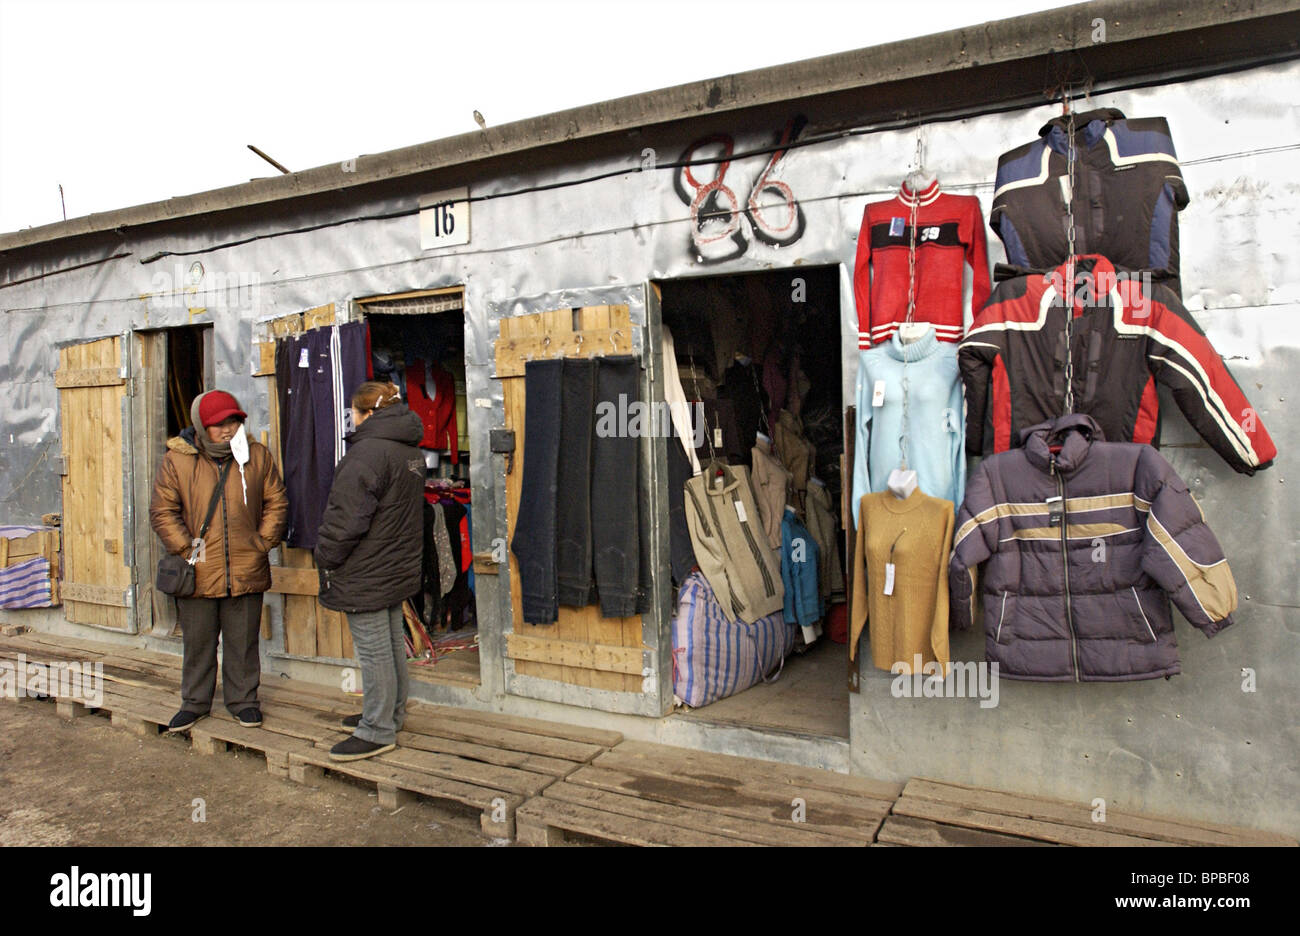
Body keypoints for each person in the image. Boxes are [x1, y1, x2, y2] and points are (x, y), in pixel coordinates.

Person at [149, 389, 289, 732]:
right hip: (200, 569)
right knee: (198, 641)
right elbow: (163, 511)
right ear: (200, 426)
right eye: (218, 425)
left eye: (234, 422)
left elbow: (277, 501)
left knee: (242, 642)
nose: (228, 430)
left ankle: (243, 701)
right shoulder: (178, 460)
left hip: (246, 565)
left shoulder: (256, 455)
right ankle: (195, 702)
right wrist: (189, 551)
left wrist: (261, 543)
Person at [315, 380, 425, 762]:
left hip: (368, 567)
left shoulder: (366, 455)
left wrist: (325, 555)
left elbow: (346, 519)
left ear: (368, 414)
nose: (353, 420)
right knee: (391, 644)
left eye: (355, 412)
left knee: (376, 650)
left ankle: (377, 730)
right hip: (394, 564)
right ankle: (389, 715)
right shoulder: (408, 450)